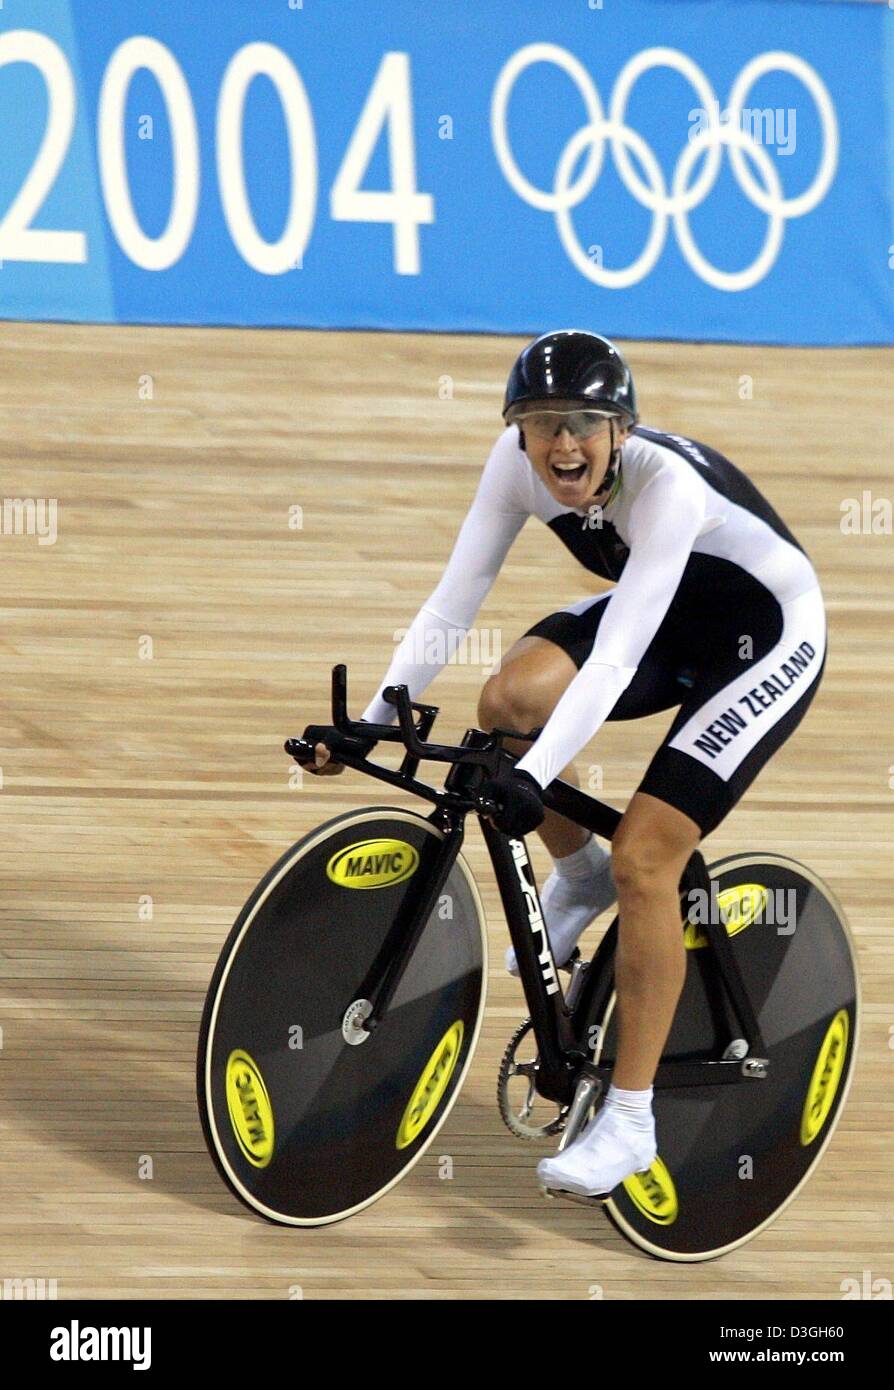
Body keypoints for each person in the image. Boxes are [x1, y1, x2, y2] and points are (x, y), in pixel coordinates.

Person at [300, 329, 827, 1199]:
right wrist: (370, 719)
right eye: (542, 423)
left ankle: (628, 1118)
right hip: (662, 613)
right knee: (506, 705)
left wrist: (538, 777)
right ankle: (577, 873)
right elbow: (454, 594)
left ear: (623, 428)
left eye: (585, 421)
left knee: (649, 857)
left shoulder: (667, 491)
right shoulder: (513, 465)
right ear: (517, 431)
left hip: (765, 639)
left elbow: (617, 657)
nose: (563, 443)